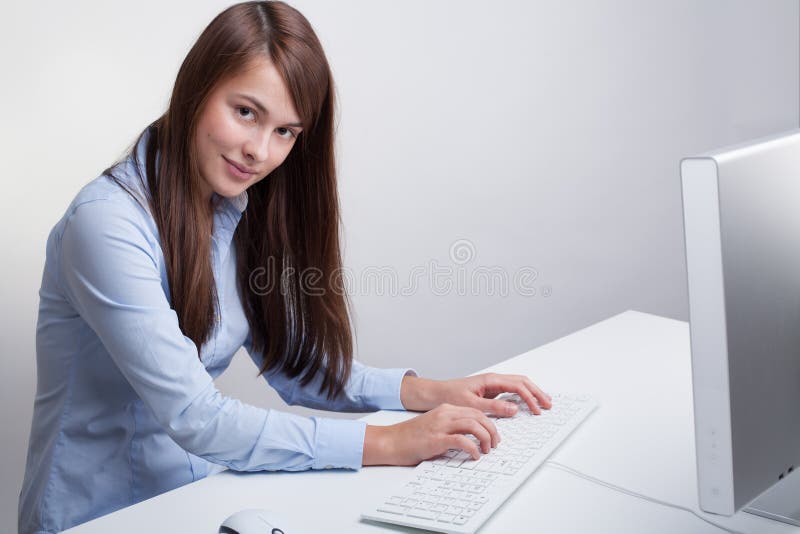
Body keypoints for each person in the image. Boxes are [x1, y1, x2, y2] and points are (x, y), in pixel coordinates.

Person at [18, 2, 551, 533]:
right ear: (196, 88)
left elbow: (291, 363)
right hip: (97, 517)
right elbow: (197, 417)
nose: (259, 151)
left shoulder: (237, 204)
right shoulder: (106, 225)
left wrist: (433, 391)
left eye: (286, 132)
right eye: (245, 112)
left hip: (195, 498)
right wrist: (389, 443)